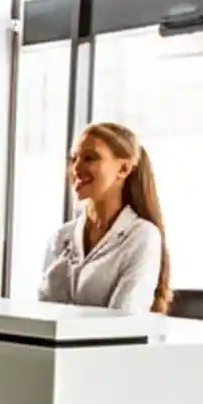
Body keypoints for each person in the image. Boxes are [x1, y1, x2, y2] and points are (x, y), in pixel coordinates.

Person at [38, 121, 172, 314]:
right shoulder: (61, 237)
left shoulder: (142, 236)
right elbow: (42, 314)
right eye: (73, 159)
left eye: (89, 158)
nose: (76, 168)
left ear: (123, 169)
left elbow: (123, 319)